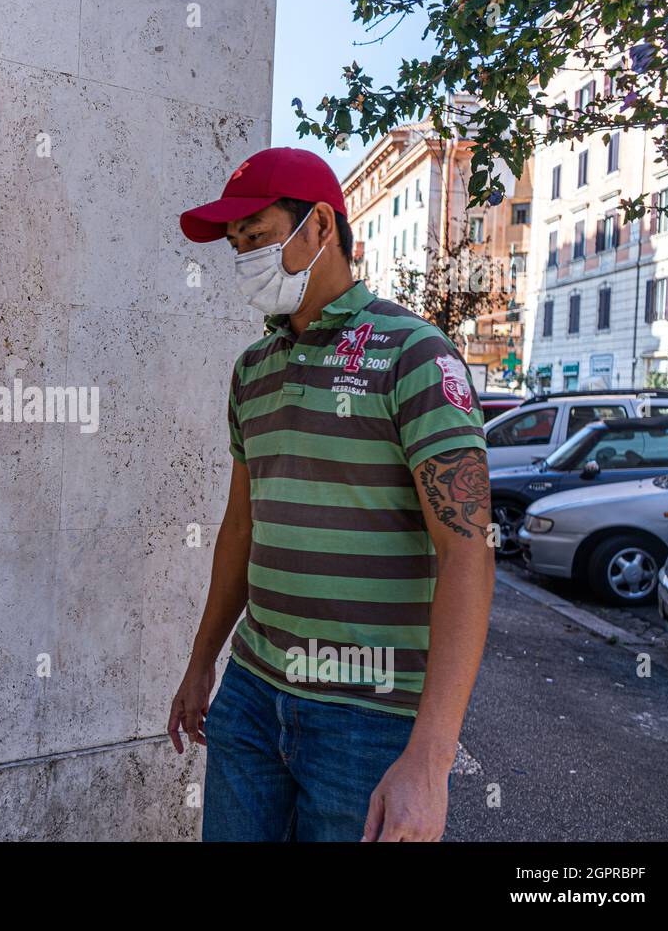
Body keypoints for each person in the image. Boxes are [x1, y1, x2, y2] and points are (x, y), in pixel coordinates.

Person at [167, 147, 495, 841]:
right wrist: (203, 665)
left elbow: (468, 555)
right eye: (235, 246)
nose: (244, 258)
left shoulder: (416, 356)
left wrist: (431, 762)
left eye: (256, 238)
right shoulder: (251, 370)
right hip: (253, 698)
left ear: (319, 227)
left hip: (368, 718)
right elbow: (240, 530)